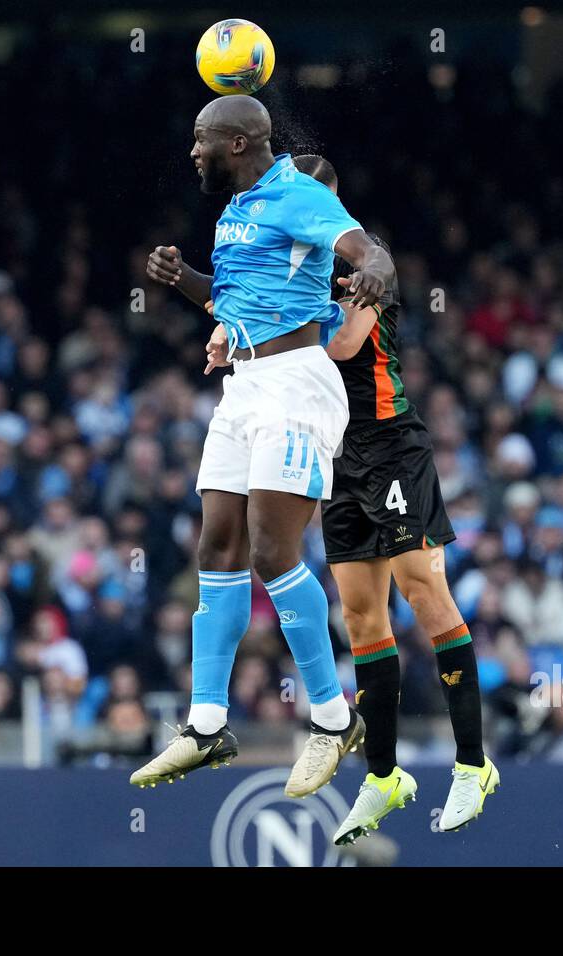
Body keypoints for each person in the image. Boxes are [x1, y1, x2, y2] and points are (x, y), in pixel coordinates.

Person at [131, 96, 396, 798]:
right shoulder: (233, 213)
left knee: (273, 553)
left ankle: (336, 721)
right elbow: (234, 301)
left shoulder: (297, 193)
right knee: (216, 548)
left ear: (241, 142)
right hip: (244, 389)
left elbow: (365, 248)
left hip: (295, 387)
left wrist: (376, 272)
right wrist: (182, 279)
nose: (193, 153)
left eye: (202, 141)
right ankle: (206, 724)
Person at [303, 153, 498, 841]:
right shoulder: (291, 270)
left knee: (422, 590)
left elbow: (348, 341)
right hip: (338, 457)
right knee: (359, 616)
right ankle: (384, 778)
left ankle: (472, 763)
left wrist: (262, 345)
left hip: (389, 444)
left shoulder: (366, 261)